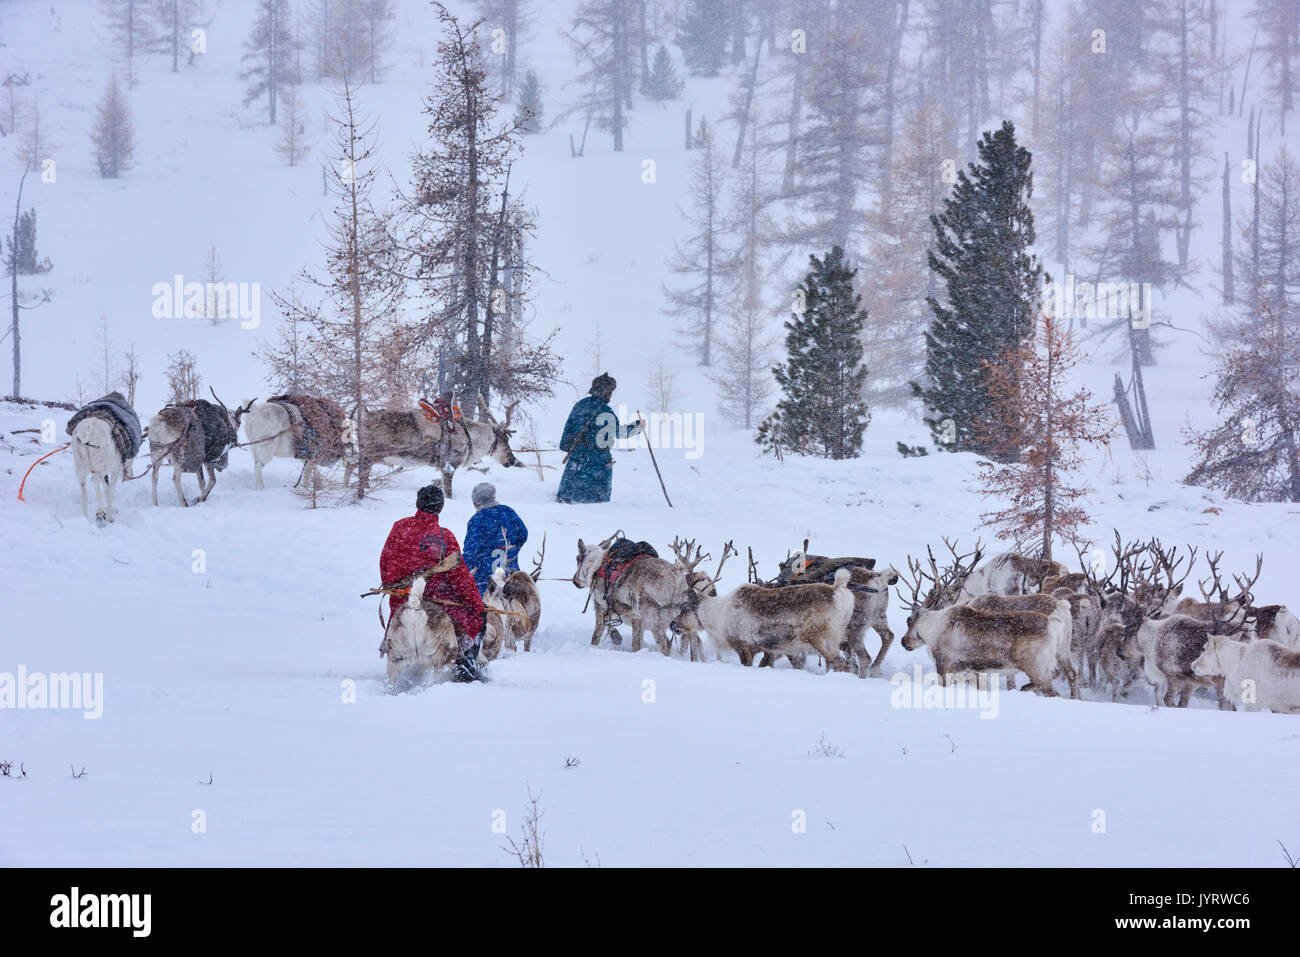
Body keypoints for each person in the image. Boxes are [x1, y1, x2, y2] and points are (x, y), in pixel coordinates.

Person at [379, 483, 487, 682]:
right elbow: (460, 577)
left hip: (401, 600)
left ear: (418, 504)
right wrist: (477, 606)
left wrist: (393, 588)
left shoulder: (399, 527)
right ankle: (466, 668)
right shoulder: (444, 536)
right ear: (441, 508)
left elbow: (385, 562)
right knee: (479, 619)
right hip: (437, 602)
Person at [557, 372, 644, 504]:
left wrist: (567, 447)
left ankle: (566, 498)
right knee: (597, 503)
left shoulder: (581, 405)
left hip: (578, 456)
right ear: (606, 392)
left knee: (568, 494)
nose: (611, 395)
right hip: (598, 459)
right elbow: (618, 432)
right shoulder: (605, 411)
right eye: (610, 391)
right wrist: (637, 427)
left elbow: (569, 427)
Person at [463, 482, 529, 595]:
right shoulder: (508, 512)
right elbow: (523, 534)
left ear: (475, 503)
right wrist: (512, 549)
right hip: (510, 576)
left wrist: (462, 572)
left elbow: (471, 552)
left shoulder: (478, 520)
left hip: (486, 580)